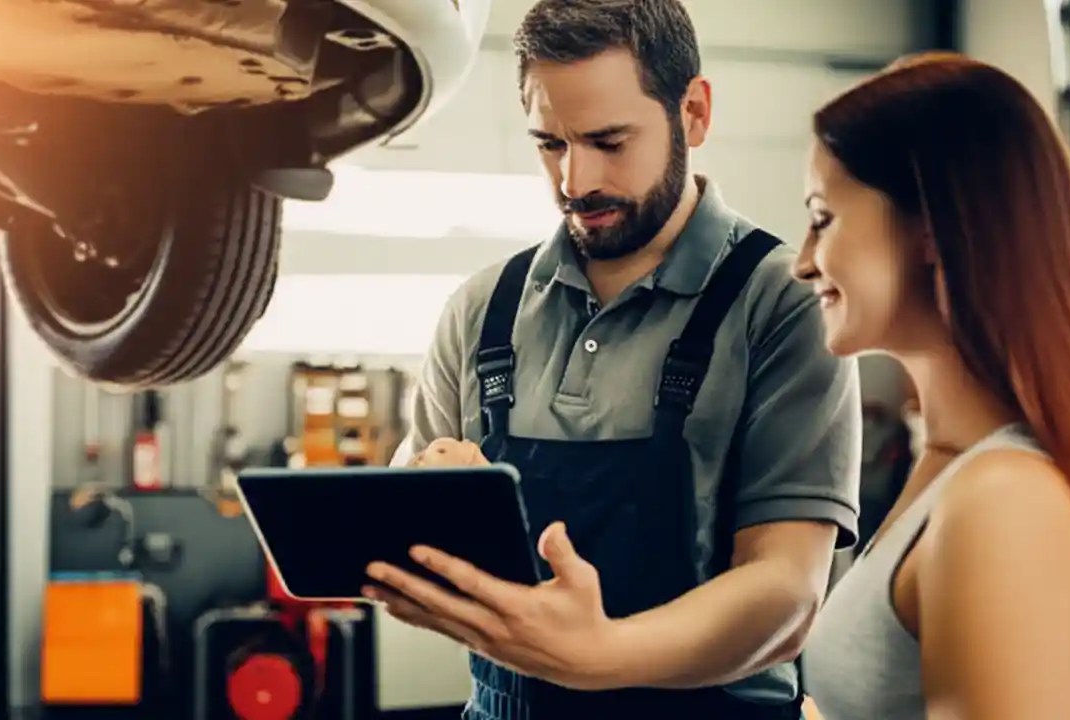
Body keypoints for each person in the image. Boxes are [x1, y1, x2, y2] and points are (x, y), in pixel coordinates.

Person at [362, 0, 862, 717]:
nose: (574, 180)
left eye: (608, 141)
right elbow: (407, 544)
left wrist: (597, 657)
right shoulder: (480, 312)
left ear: (693, 112)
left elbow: (785, 590)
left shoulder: (783, 304)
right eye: (550, 144)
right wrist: (426, 508)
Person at [794, 53, 1070, 719]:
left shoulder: (1006, 502)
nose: (802, 262)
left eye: (823, 217)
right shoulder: (957, 471)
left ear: (932, 228)